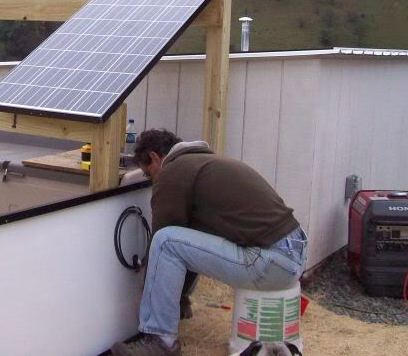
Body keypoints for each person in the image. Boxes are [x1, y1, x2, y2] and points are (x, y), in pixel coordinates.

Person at [112, 129, 308, 356]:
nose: (152, 180)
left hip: (271, 260)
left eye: (148, 174)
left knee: (164, 242)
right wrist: (176, 298)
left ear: (156, 158)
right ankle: (174, 314)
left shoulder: (172, 172)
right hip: (292, 255)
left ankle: (160, 343)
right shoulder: (204, 164)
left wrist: (147, 300)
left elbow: (162, 238)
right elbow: (194, 239)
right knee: (179, 238)